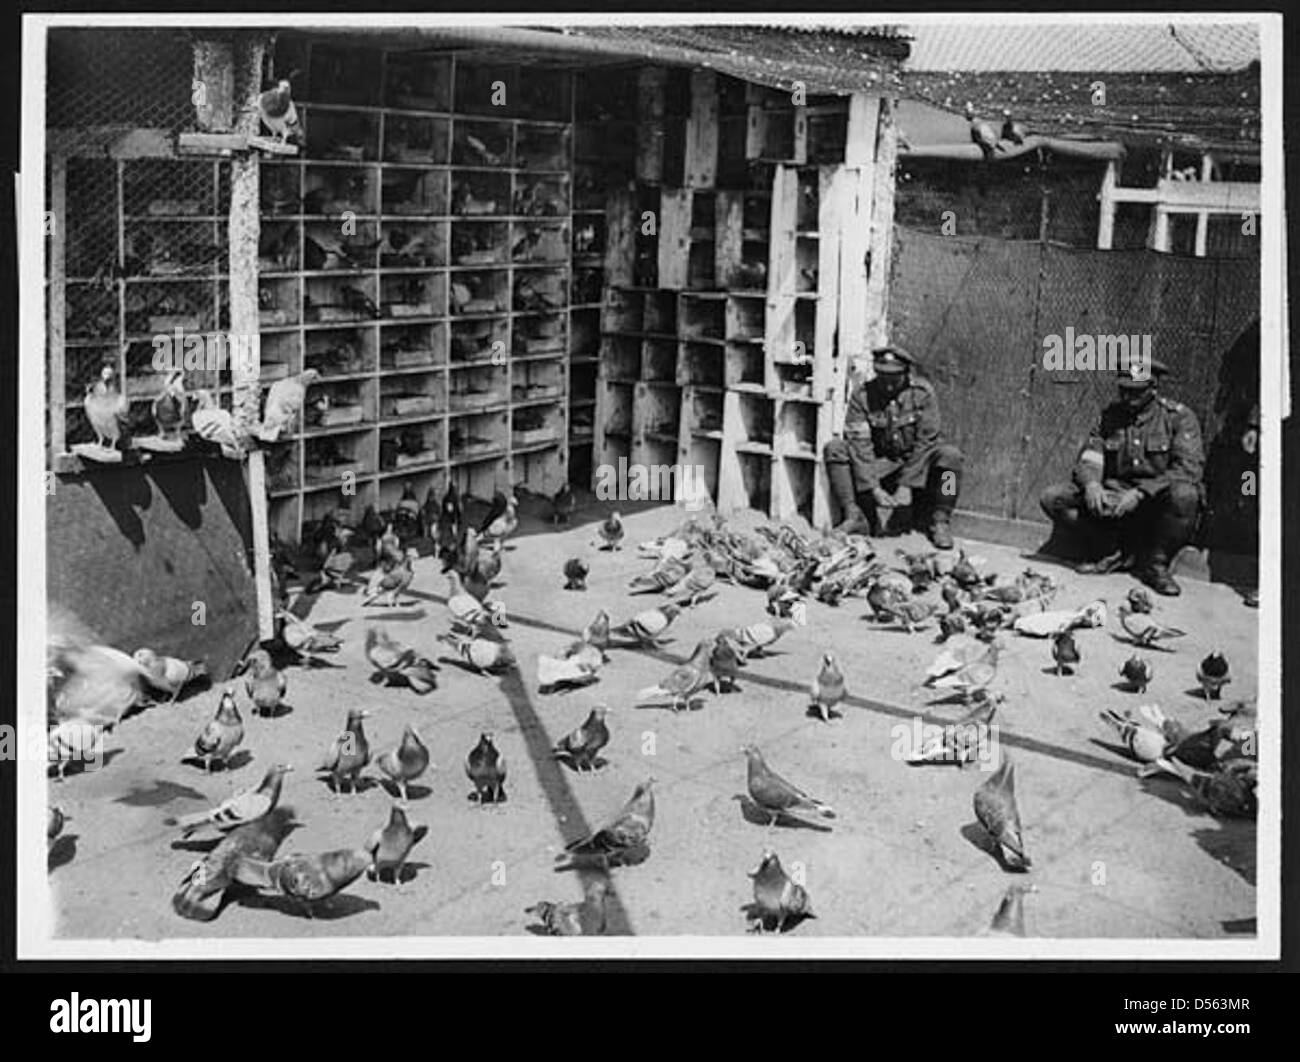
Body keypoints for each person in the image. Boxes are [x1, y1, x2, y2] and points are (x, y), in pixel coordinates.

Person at [1039, 359, 1203, 596]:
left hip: (1155, 503)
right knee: (1053, 498)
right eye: (1124, 390)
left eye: (1137, 391)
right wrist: (1092, 484)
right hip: (1116, 500)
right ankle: (1111, 551)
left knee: (1186, 495)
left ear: (1154, 387)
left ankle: (1156, 565)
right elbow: (1090, 456)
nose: (1129, 397)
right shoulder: (1111, 416)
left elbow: (1188, 469)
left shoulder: (1178, 417)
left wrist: (1141, 493)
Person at [823, 346, 963, 549]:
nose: (888, 384)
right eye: (882, 376)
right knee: (835, 448)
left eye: (894, 377)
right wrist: (874, 487)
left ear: (906, 373)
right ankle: (854, 516)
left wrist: (907, 483)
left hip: (917, 461)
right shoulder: (862, 395)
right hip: (883, 461)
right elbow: (859, 444)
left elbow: (926, 442)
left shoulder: (922, 394)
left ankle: (940, 520)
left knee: (951, 457)